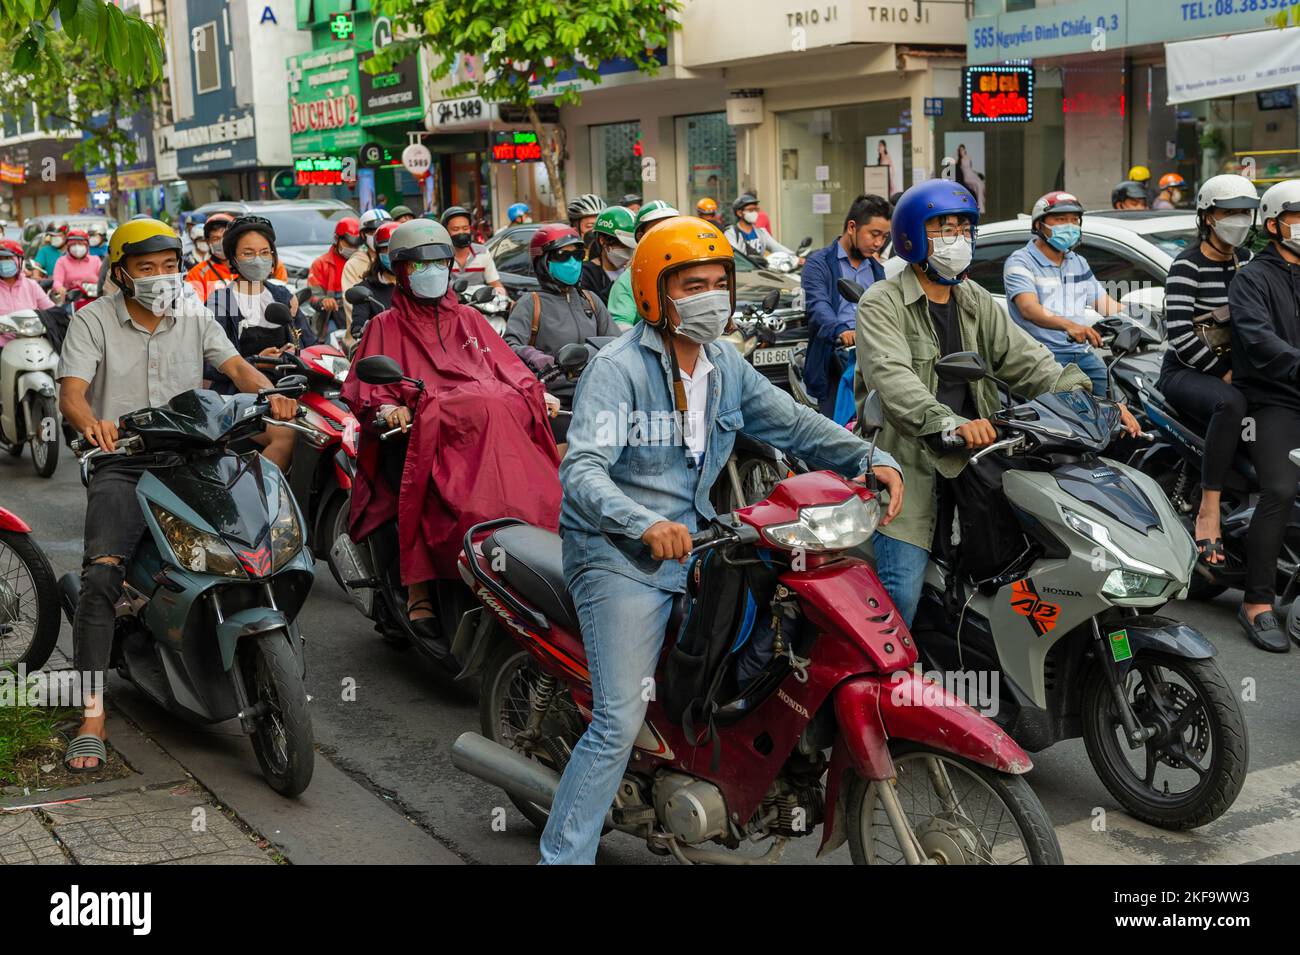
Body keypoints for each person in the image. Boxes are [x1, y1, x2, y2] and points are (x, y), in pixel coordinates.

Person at [540, 216, 905, 864]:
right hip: (617, 554)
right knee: (619, 719)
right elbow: (582, 469)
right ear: (655, 292)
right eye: (693, 284)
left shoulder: (725, 365)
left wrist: (871, 456)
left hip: (703, 543)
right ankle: (563, 856)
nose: (711, 296)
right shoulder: (617, 368)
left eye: (719, 283)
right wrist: (645, 524)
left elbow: (794, 423)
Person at [56, 218, 297, 771]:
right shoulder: (92, 321)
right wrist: (93, 424)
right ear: (121, 273)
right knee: (100, 576)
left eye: (170, 266)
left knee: (254, 546)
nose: (163, 277)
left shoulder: (192, 311)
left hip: (197, 454)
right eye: (147, 269)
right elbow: (71, 393)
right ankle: (92, 713)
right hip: (125, 461)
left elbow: (233, 365)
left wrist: (273, 397)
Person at [856, 180, 1139, 626]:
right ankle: (890, 684)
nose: (957, 239)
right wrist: (948, 420)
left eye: (963, 228)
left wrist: (1092, 401)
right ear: (911, 236)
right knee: (901, 596)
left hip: (982, 455)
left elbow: (1029, 361)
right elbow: (893, 381)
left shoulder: (974, 300)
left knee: (1021, 569)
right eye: (942, 228)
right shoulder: (882, 303)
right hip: (911, 462)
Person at [340, 219, 561, 637]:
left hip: (483, 439)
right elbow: (368, 388)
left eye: (441, 262)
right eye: (422, 266)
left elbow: (508, 368)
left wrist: (535, 392)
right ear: (402, 272)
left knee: (543, 493)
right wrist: (389, 410)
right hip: (423, 439)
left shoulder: (471, 320)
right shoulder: (383, 326)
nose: (433, 272)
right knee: (435, 494)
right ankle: (419, 588)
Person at [1156, 174, 1258, 588]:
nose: (1237, 219)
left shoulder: (1247, 261)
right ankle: (1209, 510)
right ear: (1207, 217)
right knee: (1230, 404)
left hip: (1238, 370)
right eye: (1227, 211)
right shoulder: (1187, 264)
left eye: (1243, 212)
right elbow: (1179, 334)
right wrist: (1225, 374)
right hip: (1187, 372)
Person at [1226, 179, 1300, 652]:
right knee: (1280, 487)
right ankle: (1256, 602)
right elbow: (1258, 340)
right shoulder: (1252, 278)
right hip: (1274, 401)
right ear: (1274, 224)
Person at [203, 215, 314, 470]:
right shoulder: (221, 302)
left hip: (290, 390)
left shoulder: (282, 295)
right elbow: (210, 364)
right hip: (240, 398)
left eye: (265, 252)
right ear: (233, 258)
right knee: (286, 435)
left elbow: (308, 340)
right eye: (249, 253)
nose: (259, 259)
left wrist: (295, 351)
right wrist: (255, 362)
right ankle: (257, 500)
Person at [1003, 190, 1124, 396]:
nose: (1069, 225)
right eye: (1060, 219)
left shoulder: (1077, 262)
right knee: (1071, 414)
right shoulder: (1020, 262)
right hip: (1042, 356)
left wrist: (1140, 316)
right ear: (1038, 225)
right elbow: (1029, 308)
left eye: (1074, 220)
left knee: (1116, 400)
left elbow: (1105, 304)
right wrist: (1071, 326)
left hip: (1081, 353)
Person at [505, 225, 614, 449]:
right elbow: (508, 346)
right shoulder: (531, 303)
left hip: (597, 395)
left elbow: (617, 344)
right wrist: (535, 357)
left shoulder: (590, 300)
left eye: (577, 255)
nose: (572, 262)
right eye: (563, 255)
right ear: (543, 262)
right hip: (556, 403)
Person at [803, 194, 891, 417]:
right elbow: (818, 305)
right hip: (832, 362)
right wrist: (841, 330)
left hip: (871, 363)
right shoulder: (819, 263)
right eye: (874, 234)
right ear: (852, 227)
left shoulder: (877, 270)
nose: (879, 243)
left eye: (884, 236)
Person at [606, 201, 678, 327]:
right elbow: (620, 324)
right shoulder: (629, 281)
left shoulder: (690, 268)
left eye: (672, 228)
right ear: (641, 236)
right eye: (658, 230)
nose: (667, 235)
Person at [308, 216, 362, 335]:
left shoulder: (364, 263)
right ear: (337, 239)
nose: (352, 249)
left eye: (355, 246)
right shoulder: (320, 264)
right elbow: (312, 296)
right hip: (331, 320)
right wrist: (324, 301)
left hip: (359, 318)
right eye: (349, 244)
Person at [341, 208, 393, 328]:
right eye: (374, 231)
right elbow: (353, 307)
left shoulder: (404, 265)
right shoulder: (354, 265)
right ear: (363, 235)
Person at [349, 220, 399, 343]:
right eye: (385, 249)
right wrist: (368, 327)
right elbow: (358, 326)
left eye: (396, 249)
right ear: (377, 253)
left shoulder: (417, 286)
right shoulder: (367, 290)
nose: (391, 255)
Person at [441, 205, 505, 293]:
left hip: (478, 304)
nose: (461, 232)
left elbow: (495, 283)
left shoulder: (483, 252)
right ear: (445, 231)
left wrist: (503, 297)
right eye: (455, 229)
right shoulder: (440, 255)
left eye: (465, 228)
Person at [579, 205, 636, 303]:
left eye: (631, 247)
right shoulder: (586, 274)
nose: (628, 251)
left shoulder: (636, 269)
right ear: (603, 240)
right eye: (623, 245)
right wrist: (623, 279)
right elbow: (594, 305)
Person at [725, 193, 797, 263]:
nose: (754, 213)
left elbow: (776, 247)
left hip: (759, 272)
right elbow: (736, 257)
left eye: (756, 210)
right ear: (739, 213)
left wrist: (795, 257)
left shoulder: (761, 232)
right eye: (750, 210)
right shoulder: (731, 234)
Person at [184, 213, 237, 302]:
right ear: (208, 242)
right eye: (216, 238)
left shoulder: (246, 269)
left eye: (226, 237)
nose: (222, 242)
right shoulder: (197, 275)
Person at [0, 240, 55, 311]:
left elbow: (51, 310)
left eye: (7, 258)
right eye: (0, 259)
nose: (2, 262)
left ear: (20, 261)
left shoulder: (31, 285)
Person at [52, 229, 101, 301]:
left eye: (80, 244)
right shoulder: (62, 261)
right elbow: (57, 281)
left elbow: (104, 280)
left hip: (95, 300)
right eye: (73, 244)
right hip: (71, 301)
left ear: (87, 246)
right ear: (68, 247)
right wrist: (59, 288)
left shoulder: (96, 260)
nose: (77, 247)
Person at [954, 144, 986, 213]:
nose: (962, 151)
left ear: (965, 150)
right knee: (978, 184)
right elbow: (953, 163)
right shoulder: (959, 160)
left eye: (963, 149)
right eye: (960, 150)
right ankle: (980, 207)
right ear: (959, 151)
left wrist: (977, 174)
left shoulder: (969, 157)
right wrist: (957, 153)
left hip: (972, 175)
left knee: (981, 184)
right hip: (967, 177)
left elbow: (970, 168)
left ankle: (980, 204)